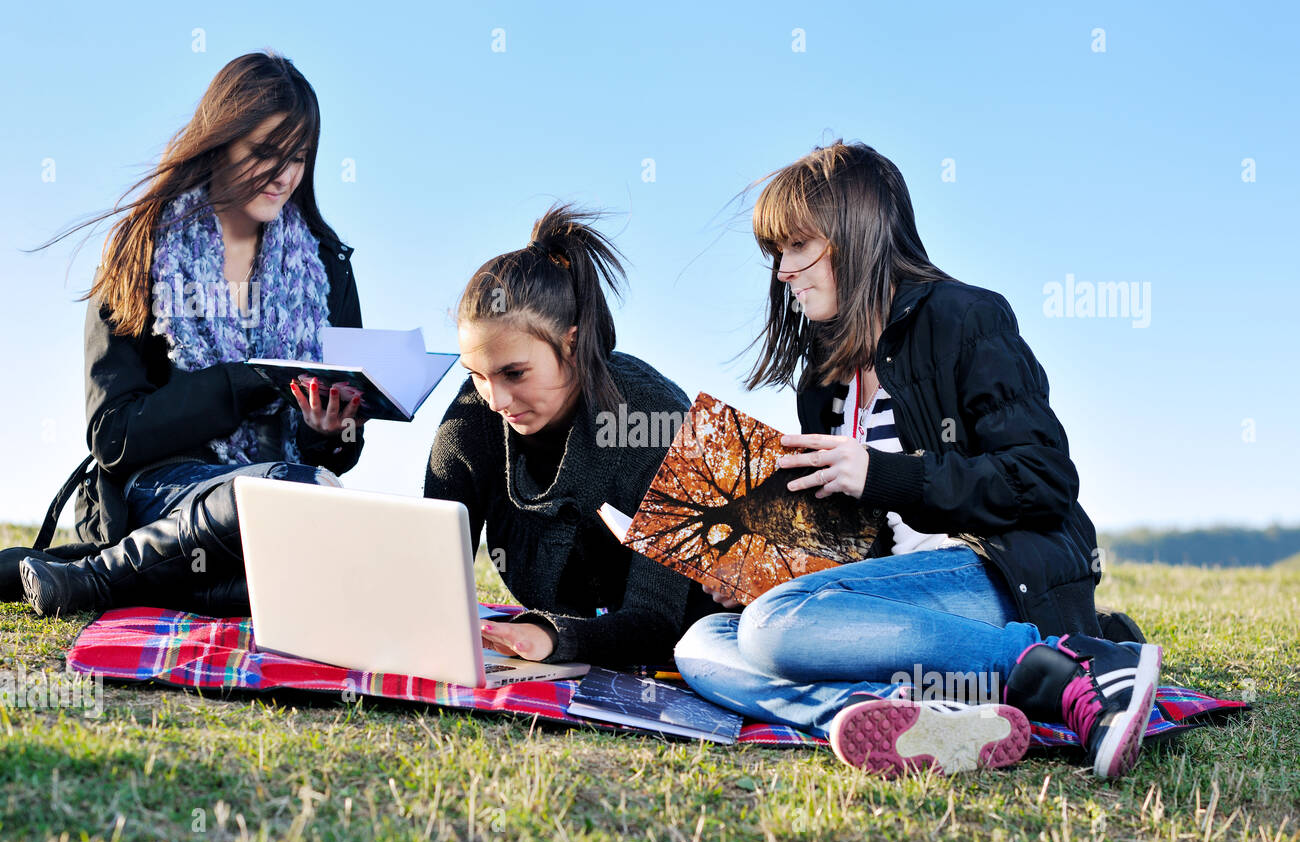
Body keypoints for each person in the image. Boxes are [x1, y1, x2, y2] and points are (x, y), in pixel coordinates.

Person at [674, 141, 1162, 779]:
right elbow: (856, 543)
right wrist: (756, 561)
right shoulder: (822, 377)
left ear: (856, 232)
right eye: (776, 254)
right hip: (893, 598)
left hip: (992, 574)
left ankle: (1057, 664)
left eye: (797, 247)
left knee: (774, 628)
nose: (783, 271)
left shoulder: (966, 318)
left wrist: (883, 476)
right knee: (705, 640)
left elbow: (1043, 480)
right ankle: (885, 719)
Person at [20, 51, 366, 618]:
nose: (284, 176)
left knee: (319, 531)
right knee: (284, 496)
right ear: (219, 142)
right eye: (264, 153)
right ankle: (106, 576)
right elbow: (113, 436)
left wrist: (327, 432)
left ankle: (102, 576)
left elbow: (343, 454)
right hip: (157, 489)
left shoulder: (328, 267)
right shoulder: (144, 246)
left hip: (285, 492)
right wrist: (243, 383)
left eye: (298, 158)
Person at [423, 204, 713, 667]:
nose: (495, 398)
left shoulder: (659, 421)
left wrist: (554, 637)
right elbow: (433, 572)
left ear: (573, 344)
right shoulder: (472, 415)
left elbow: (658, 622)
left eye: (514, 373)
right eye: (477, 374)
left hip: (703, 628)